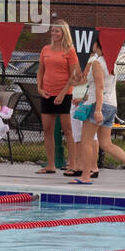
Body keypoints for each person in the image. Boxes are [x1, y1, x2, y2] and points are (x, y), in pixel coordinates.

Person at [71, 55, 125, 186]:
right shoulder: (111, 62)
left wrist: (98, 110)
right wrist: (85, 99)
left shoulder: (97, 62)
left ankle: (85, 176)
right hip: (111, 105)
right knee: (106, 143)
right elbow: (102, 88)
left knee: (86, 140)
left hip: (99, 105)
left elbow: (100, 88)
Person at [36, 21, 80, 174]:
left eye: (57, 31)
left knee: (68, 130)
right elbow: (40, 71)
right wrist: (40, 89)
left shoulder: (70, 51)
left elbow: (74, 76)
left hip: (65, 95)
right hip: (47, 94)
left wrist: (62, 94)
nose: (54, 33)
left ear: (64, 33)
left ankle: (73, 164)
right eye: (52, 31)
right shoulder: (45, 49)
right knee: (47, 130)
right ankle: (50, 165)